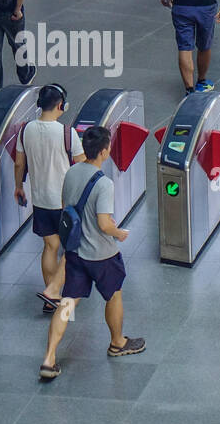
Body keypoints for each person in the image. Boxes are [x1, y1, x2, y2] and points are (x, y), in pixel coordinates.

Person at [39, 125, 144, 380]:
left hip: (75, 253)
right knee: (114, 295)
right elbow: (104, 223)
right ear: (105, 151)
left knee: (66, 303)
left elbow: (66, 207)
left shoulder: (72, 172)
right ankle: (117, 342)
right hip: (102, 255)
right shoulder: (104, 183)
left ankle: (49, 358)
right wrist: (119, 234)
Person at [13, 83, 86, 313]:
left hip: (40, 199)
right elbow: (83, 163)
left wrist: (19, 187)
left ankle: (49, 296)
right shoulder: (67, 133)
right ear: (60, 105)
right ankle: (58, 292)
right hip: (65, 202)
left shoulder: (25, 130)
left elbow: (19, 162)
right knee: (71, 249)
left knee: (50, 246)